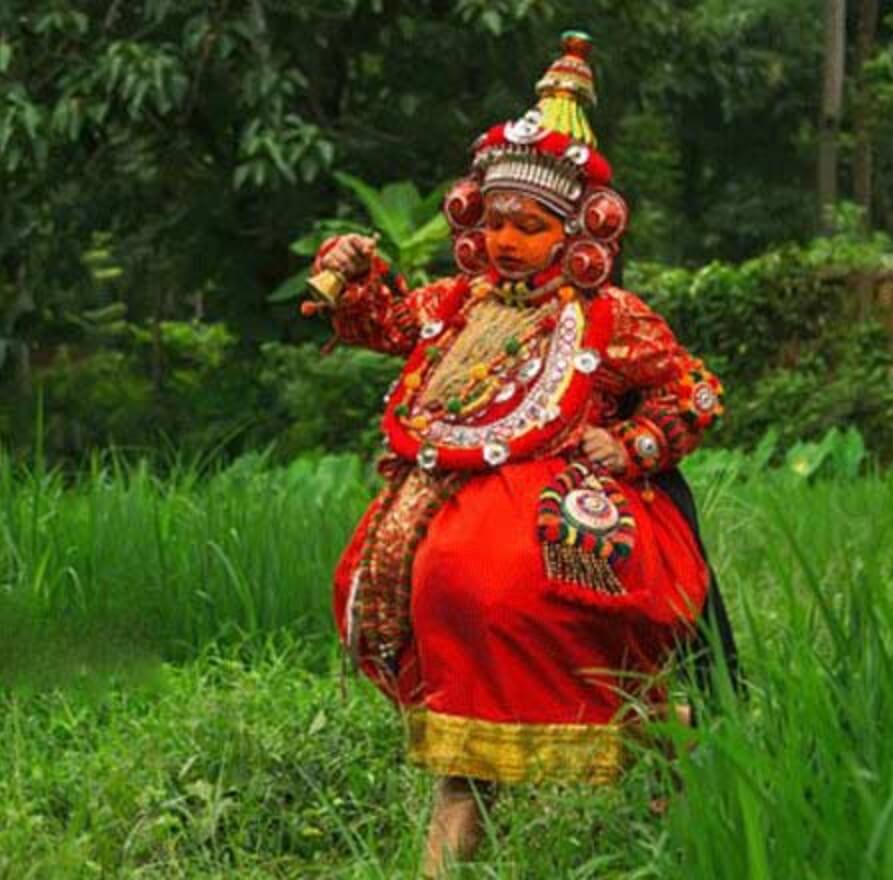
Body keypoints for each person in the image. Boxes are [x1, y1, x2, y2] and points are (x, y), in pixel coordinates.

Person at [299, 32, 735, 876]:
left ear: (575, 232)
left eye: (530, 227)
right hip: (443, 519)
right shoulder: (460, 304)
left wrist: (634, 441)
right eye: (495, 220)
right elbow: (383, 324)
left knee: (521, 622)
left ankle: (663, 764)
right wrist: (355, 274)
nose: (506, 240)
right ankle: (471, 809)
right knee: (459, 614)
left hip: (555, 532)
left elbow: (695, 390)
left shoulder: (610, 318)